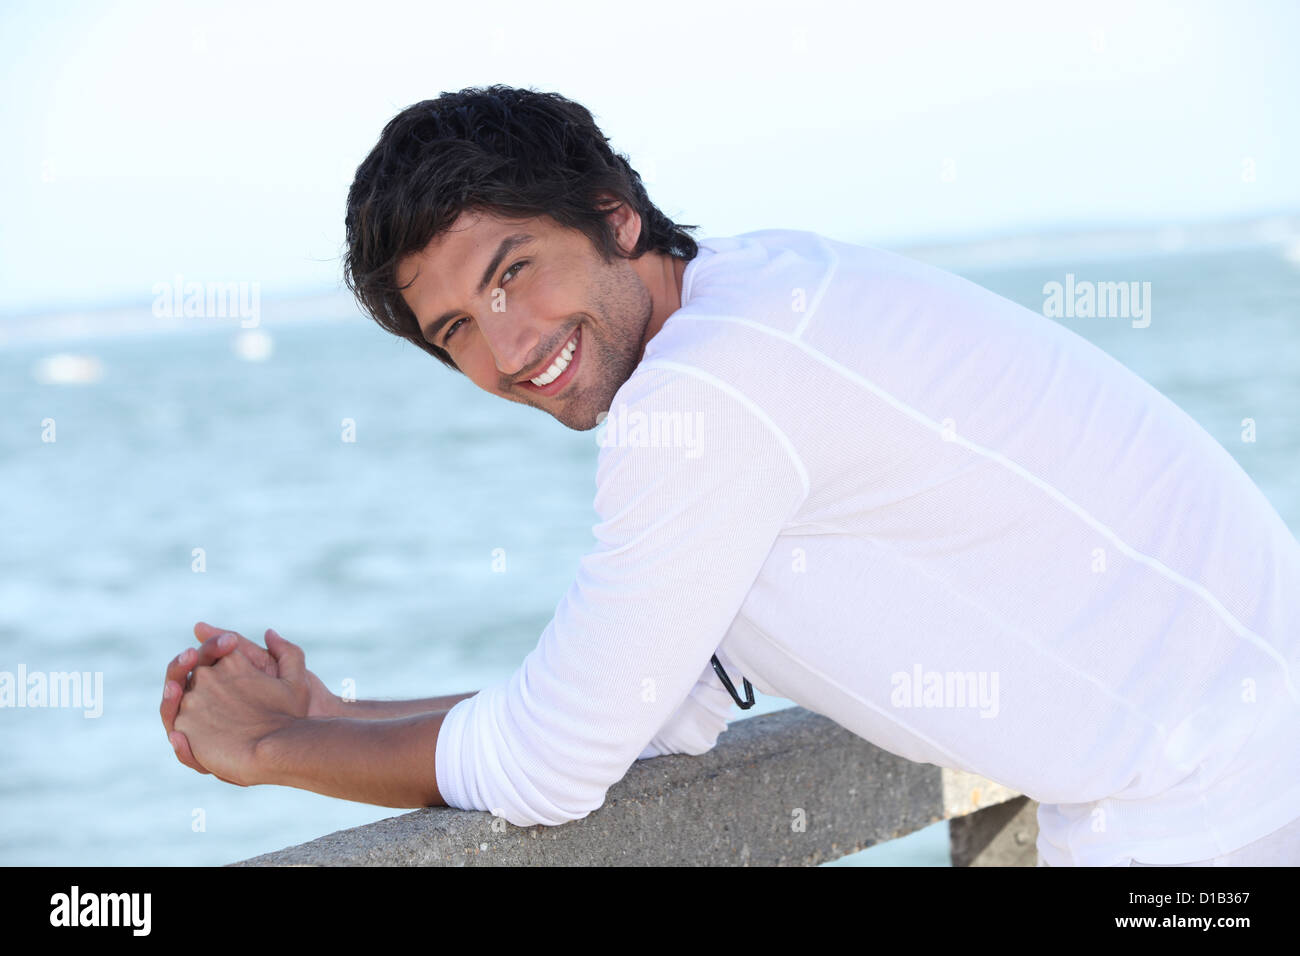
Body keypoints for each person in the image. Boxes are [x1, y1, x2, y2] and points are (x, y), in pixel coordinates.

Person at [160, 84, 1300, 866]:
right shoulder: (762, 301)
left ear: (614, 215)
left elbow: (550, 762)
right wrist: (335, 713)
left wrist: (266, 749)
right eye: (457, 327)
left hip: (1213, 824)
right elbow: (632, 708)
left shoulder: (706, 395)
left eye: (514, 274)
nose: (506, 349)